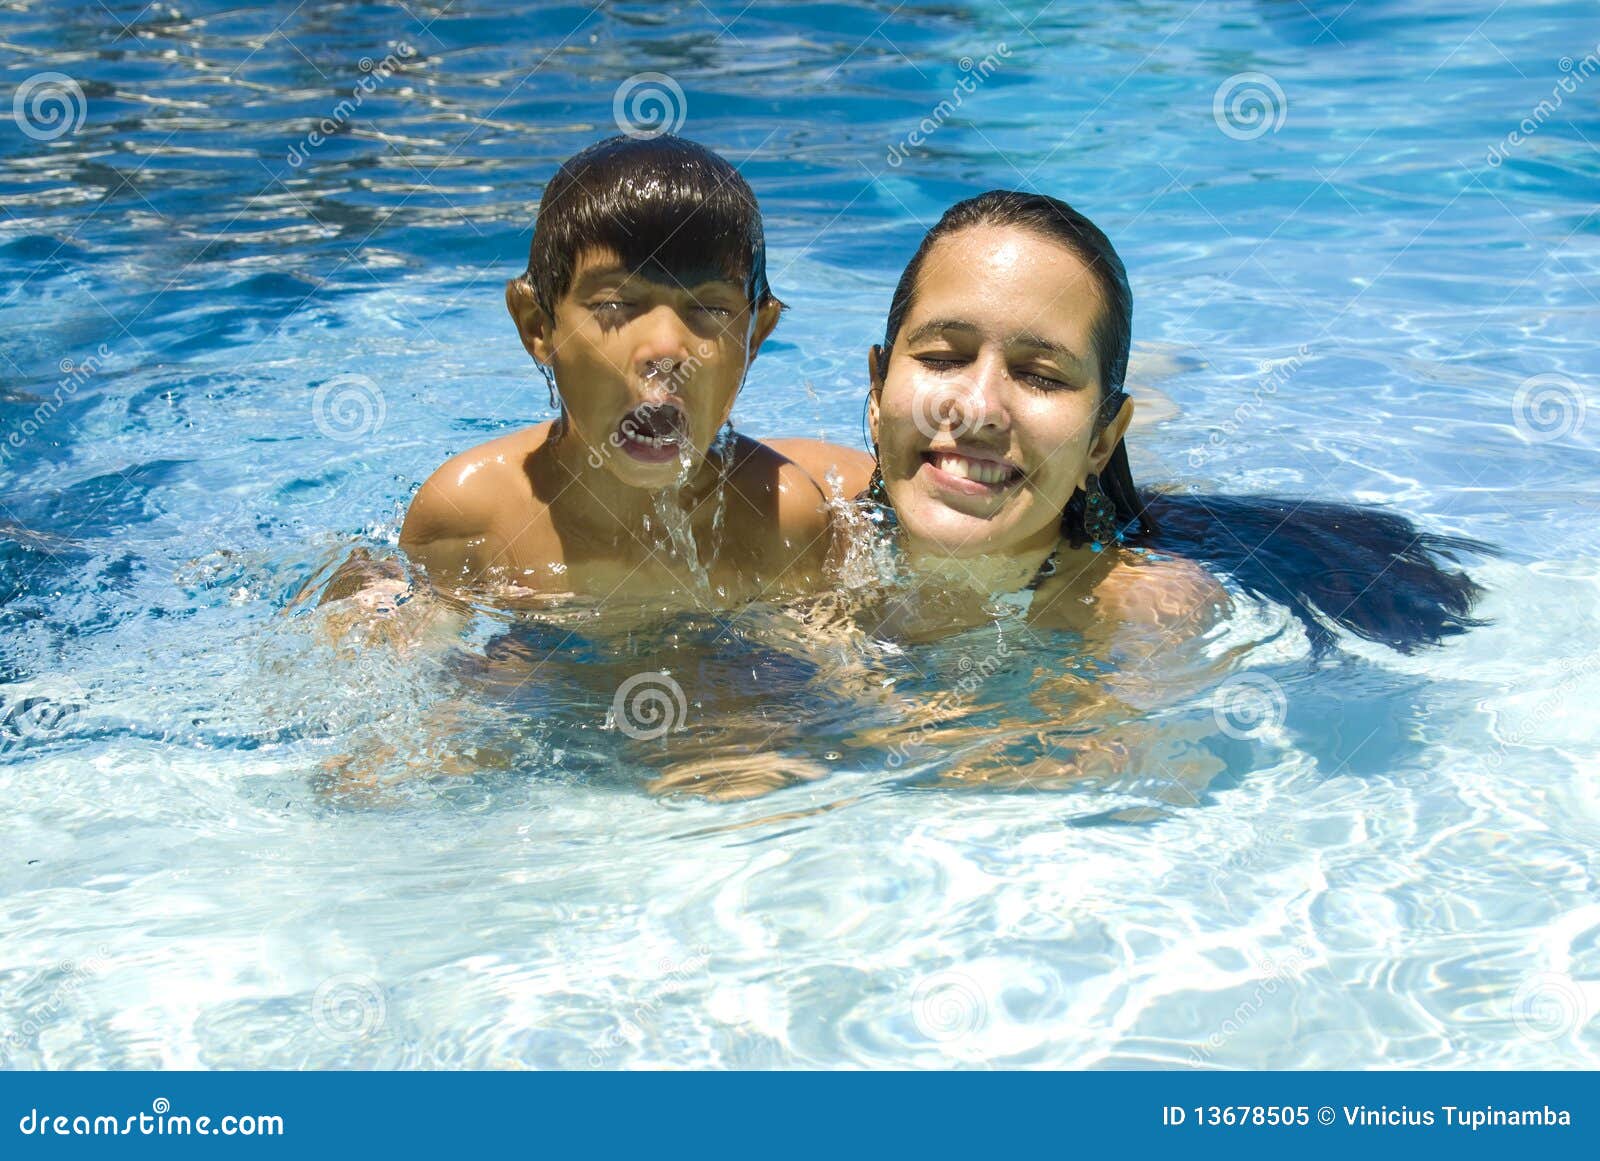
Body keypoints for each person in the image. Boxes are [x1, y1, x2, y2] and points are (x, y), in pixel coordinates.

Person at [775, 190, 1491, 657]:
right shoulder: (791, 503)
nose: (976, 407)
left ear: (1100, 440)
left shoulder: (1140, 614)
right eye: (943, 355)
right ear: (876, 387)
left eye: (1039, 375)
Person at [392, 134, 839, 606]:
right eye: (615, 303)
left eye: (710, 308)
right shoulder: (473, 515)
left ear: (755, 335)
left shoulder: (783, 520)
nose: (666, 348)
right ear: (538, 326)